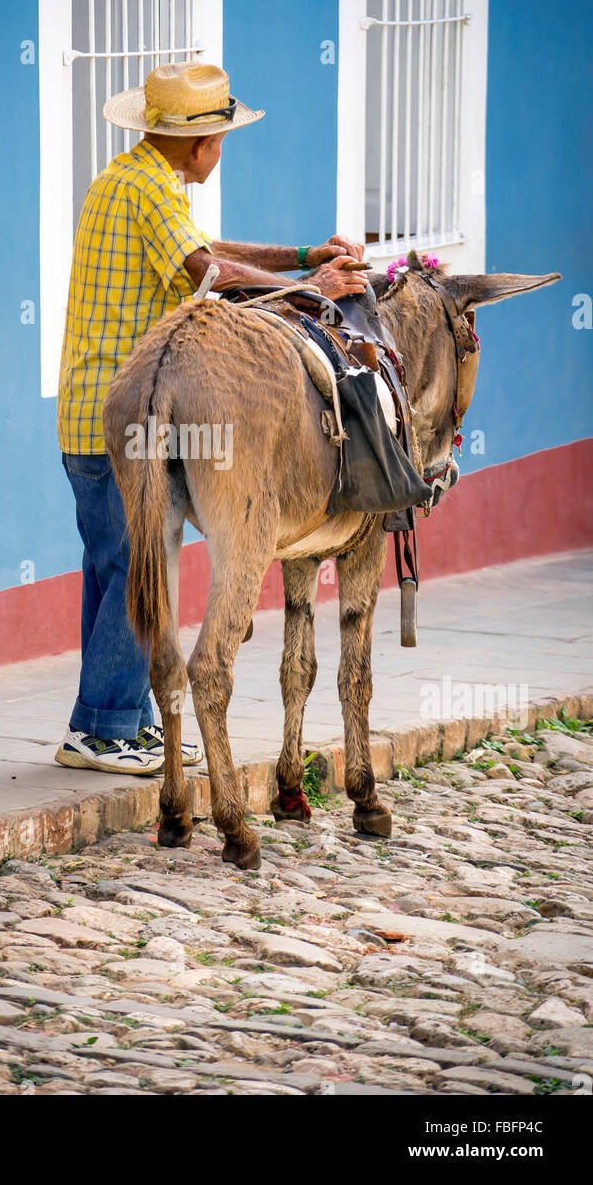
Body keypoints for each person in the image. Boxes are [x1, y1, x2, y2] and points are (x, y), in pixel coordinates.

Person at [55, 62, 367, 776]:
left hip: (99, 408)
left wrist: (299, 258)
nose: (221, 150)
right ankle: (102, 729)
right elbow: (211, 270)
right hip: (126, 412)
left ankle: (120, 720)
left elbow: (210, 254)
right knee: (139, 565)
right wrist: (309, 289)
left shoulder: (136, 180)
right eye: (220, 138)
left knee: (113, 568)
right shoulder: (146, 189)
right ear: (198, 144)